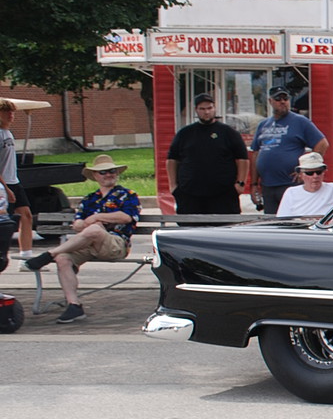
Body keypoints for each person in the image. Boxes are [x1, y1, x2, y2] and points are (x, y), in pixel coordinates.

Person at [23, 154, 140, 324]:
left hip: (115, 244)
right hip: (88, 245)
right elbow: (77, 222)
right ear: (95, 176)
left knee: (94, 228)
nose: (108, 174)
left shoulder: (127, 195)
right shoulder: (89, 199)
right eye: (103, 172)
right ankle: (74, 305)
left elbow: (127, 217)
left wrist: (97, 218)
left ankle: (49, 254)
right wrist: (80, 224)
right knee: (63, 258)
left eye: (112, 171)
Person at [165, 92, 249, 215]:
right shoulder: (185, 133)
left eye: (209, 108)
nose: (206, 112)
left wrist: (240, 183)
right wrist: (173, 186)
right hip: (190, 194)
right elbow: (172, 159)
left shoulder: (228, 133)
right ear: (196, 110)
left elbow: (243, 159)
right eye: (202, 109)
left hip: (223, 194)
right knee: (190, 231)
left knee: (225, 230)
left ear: (214, 108)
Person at [249, 87, 328, 215]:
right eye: (278, 99)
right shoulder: (263, 125)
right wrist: (253, 184)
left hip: (290, 184)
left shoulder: (300, 121)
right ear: (270, 101)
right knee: (271, 223)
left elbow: (322, 144)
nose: (282, 101)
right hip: (267, 185)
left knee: (292, 222)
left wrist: (307, 168)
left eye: (285, 98)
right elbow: (256, 154)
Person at [0, 99, 37, 260]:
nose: (11, 115)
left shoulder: (7, 133)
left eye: (12, 112)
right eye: (6, 112)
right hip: (3, 184)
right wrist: (6, 189)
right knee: (5, 223)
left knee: (26, 215)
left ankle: (26, 256)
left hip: (13, 180)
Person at [275, 152, 333, 218]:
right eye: (309, 173)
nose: (315, 176)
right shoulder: (291, 193)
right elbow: (283, 219)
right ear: (301, 175)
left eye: (319, 172)